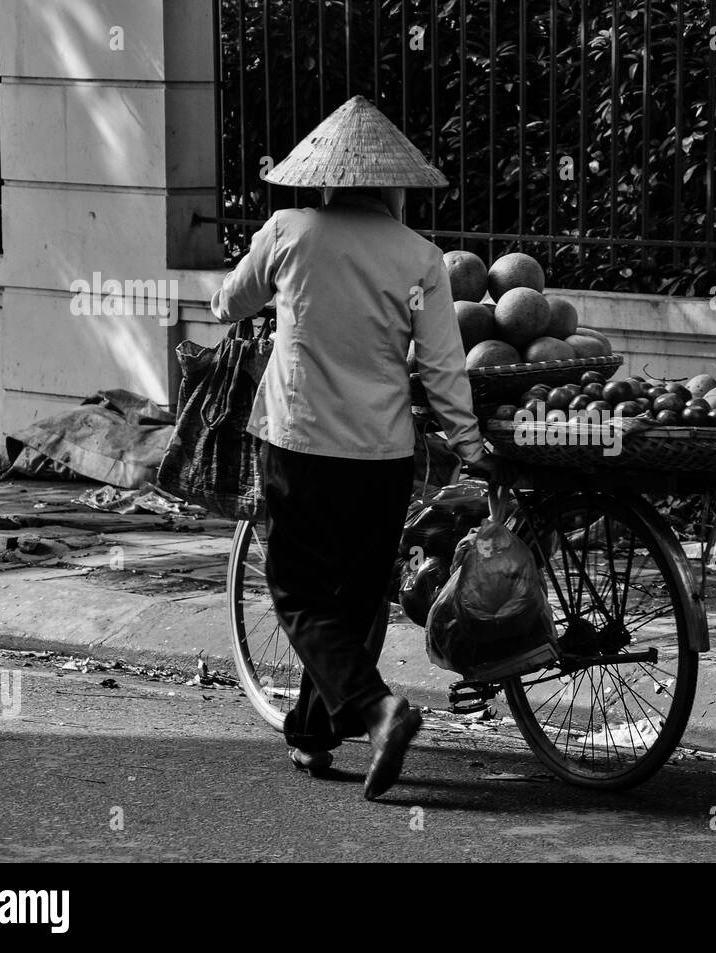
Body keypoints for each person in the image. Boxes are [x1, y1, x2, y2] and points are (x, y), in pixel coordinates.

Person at [211, 95, 508, 800]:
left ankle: (378, 711)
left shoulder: (289, 231)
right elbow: (441, 370)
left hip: (300, 445)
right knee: (357, 600)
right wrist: (471, 446)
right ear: (393, 187)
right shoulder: (420, 258)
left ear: (324, 180)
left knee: (300, 594)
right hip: (382, 457)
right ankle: (314, 733)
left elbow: (229, 303)